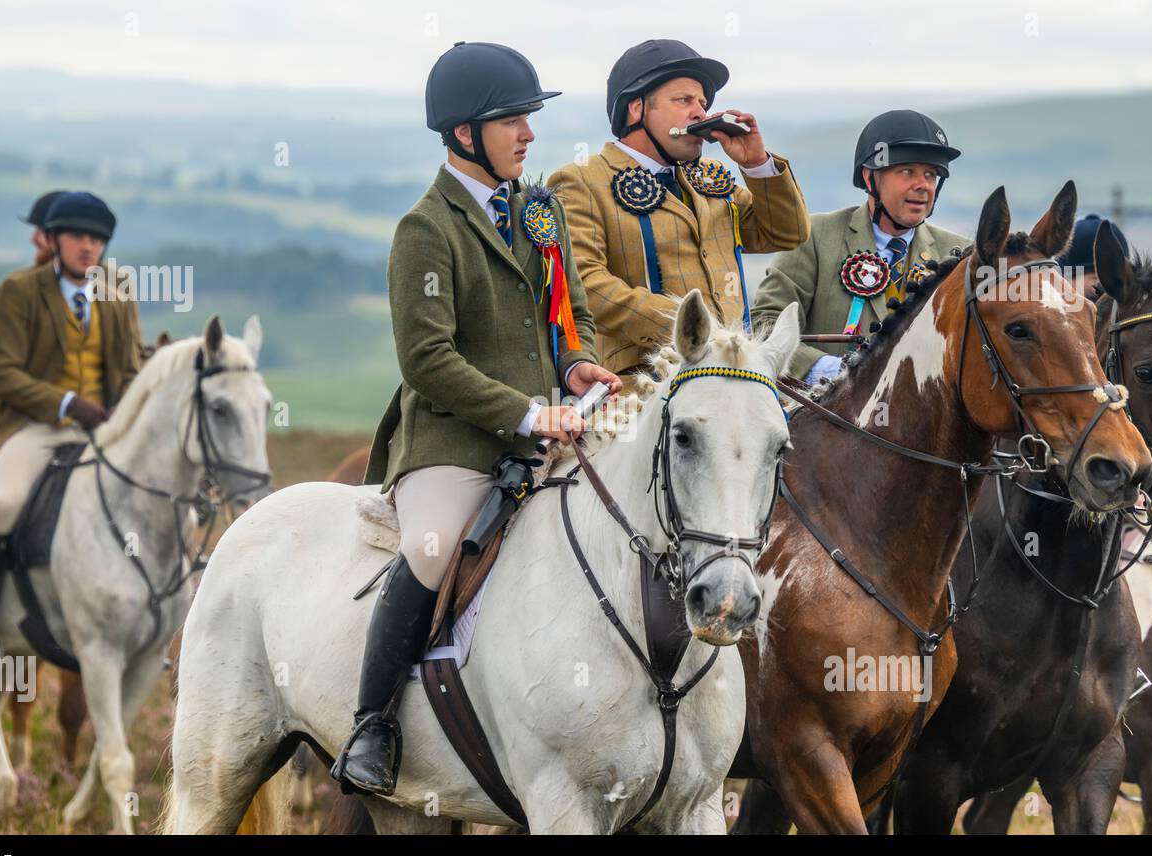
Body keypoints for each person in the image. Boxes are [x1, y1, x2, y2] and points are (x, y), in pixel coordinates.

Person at [331, 42, 620, 796]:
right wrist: (528, 412)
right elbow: (427, 360)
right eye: (511, 120)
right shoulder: (426, 230)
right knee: (430, 549)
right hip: (456, 441)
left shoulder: (541, 207)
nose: (528, 133)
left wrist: (578, 363)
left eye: (528, 118)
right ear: (464, 134)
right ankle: (373, 723)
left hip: (553, 423)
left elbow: (572, 312)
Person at [549, 38, 810, 382]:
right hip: (644, 381)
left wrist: (757, 164)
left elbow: (786, 232)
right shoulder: (582, 179)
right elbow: (586, 283)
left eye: (702, 103)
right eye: (683, 100)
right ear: (636, 108)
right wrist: (690, 326)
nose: (700, 113)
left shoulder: (711, 178)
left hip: (734, 375)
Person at [0, 192, 143, 663]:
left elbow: (123, 372)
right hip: (30, 427)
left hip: (98, 430)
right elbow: (1, 372)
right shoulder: (18, 291)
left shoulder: (116, 295)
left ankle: (145, 618)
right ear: (55, 241)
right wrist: (65, 402)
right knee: (6, 502)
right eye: (79, 237)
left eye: (97, 239)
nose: (89, 247)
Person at [751, 110, 970, 384]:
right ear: (870, 179)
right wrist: (833, 371)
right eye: (907, 172)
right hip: (820, 416)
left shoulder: (960, 255)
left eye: (930, 174)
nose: (923, 185)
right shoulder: (813, 236)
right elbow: (765, 324)